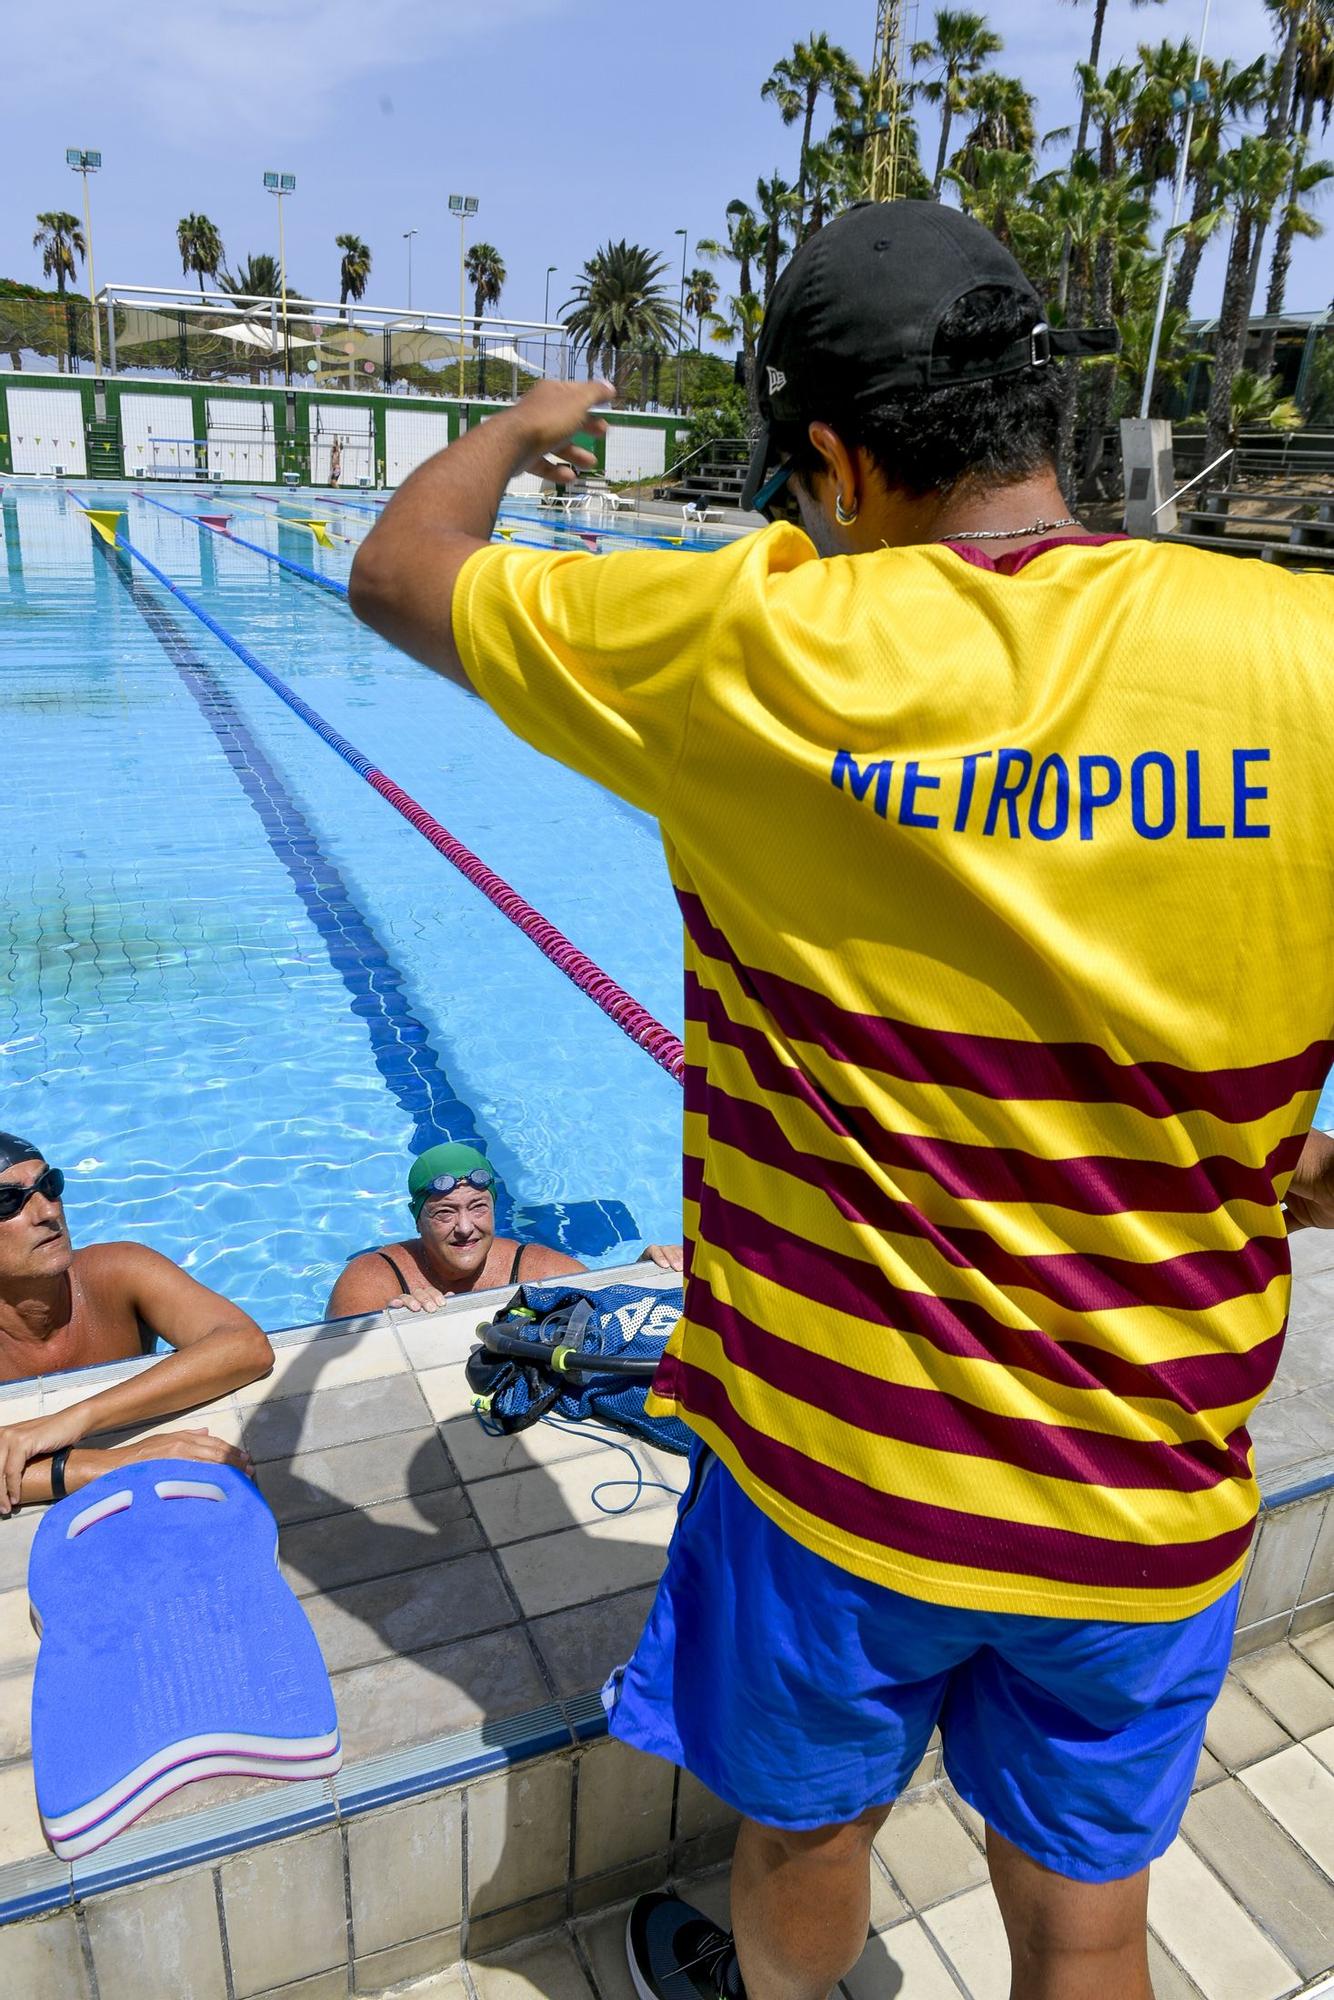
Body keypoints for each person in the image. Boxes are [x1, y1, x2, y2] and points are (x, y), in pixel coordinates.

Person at [347, 201, 1334, 2000]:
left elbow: (403, 573)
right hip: (1144, 1494)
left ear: (836, 458)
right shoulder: (1305, 657)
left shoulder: (749, 644)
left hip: (835, 1487)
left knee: (803, 1834)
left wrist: (512, 428)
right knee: (1087, 1917)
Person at [0, 1132, 271, 1515]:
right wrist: (124, 1462)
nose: (47, 1212)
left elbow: (246, 1345)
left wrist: (74, 1420)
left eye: (49, 1185)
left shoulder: (118, 1272)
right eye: (8, 1201)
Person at [325, 1140, 682, 1319]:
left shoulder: (539, 1269)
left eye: (478, 1207)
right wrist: (393, 1326)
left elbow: (612, 1320)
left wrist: (643, 1273)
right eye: (445, 1213)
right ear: (418, 1219)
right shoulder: (373, 1279)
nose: (465, 1228)